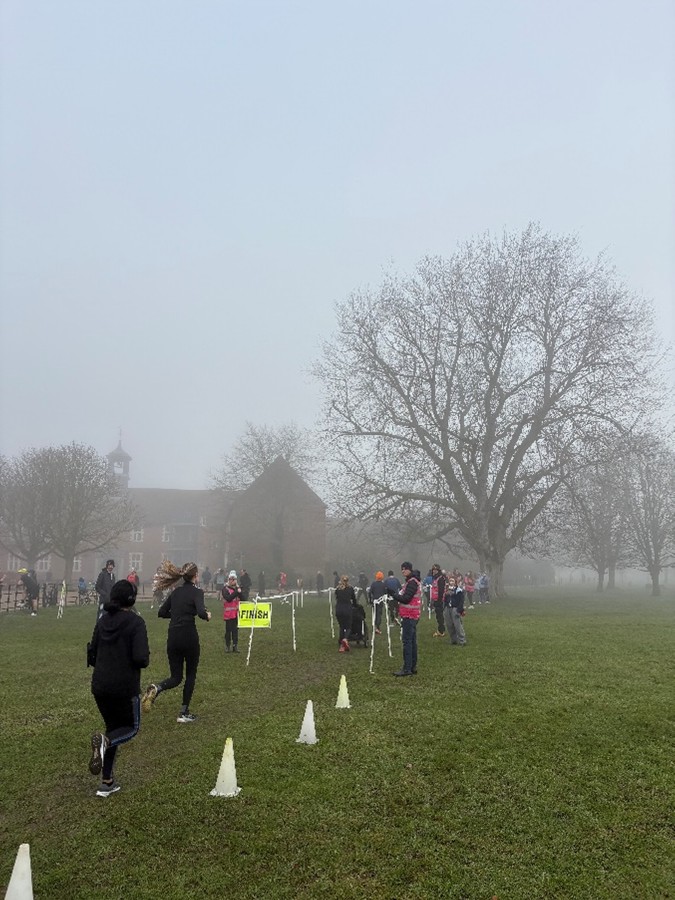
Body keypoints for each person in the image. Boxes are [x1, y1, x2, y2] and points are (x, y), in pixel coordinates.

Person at [87, 579, 150, 797]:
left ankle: (107, 781)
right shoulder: (136, 623)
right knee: (131, 728)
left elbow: (92, 652)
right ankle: (105, 744)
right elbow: (141, 658)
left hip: (100, 686)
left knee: (113, 727)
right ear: (131, 599)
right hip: (124, 687)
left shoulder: (103, 620)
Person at [141, 561, 211, 723]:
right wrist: (207, 615)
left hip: (173, 637)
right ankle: (183, 712)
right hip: (188, 636)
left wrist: (176, 615)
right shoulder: (197, 592)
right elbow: (201, 612)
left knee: (176, 677)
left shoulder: (176, 592)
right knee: (190, 674)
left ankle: (157, 688)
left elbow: (161, 612)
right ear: (195, 576)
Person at [393, 562, 421, 677]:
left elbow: (406, 599)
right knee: (412, 641)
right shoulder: (412, 581)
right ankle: (412, 666)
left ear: (410, 569)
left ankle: (407, 668)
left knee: (407, 642)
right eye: (402, 569)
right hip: (412, 615)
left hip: (409, 615)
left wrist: (394, 595)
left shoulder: (412, 582)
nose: (403, 571)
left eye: (405, 569)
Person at [334, 575, 356, 652]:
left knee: (342, 626)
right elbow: (354, 599)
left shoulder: (338, 589)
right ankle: (345, 639)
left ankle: (342, 646)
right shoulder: (350, 589)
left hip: (339, 609)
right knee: (348, 626)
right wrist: (355, 606)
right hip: (347, 609)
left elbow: (337, 597)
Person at [222, 570, 242, 652]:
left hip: (236, 613)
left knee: (235, 631)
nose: (232, 580)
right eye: (231, 579)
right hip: (228, 614)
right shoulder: (225, 589)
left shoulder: (238, 589)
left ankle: (235, 646)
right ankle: (227, 646)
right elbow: (229, 599)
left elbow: (244, 598)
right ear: (228, 579)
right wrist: (237, 592)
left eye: (234, 579)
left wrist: (238, 590)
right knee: (228, 631)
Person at [446, 577, 467, 646]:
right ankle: (453, 640)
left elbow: (461, 601)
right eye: (450, 581)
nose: (451, 582)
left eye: (452, 581)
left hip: (455, 608)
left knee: (457, 625)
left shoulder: (459, 590)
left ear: (455, 582)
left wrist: (459, 610)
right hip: (448, 608)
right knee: (449, 625)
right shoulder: (447, 590)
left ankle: (462, 640)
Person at [429, 564, 447, 637]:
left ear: (438, 571)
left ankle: (441, 631)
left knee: (440, 616)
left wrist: (439, 600)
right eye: (433, 570)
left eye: (435, 570)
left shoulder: (440, 579)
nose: (434, 571)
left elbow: (441, 590)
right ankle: (440, 629)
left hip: (439, 600)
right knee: (438, 616)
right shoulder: (435, 579)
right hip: (435, 599)